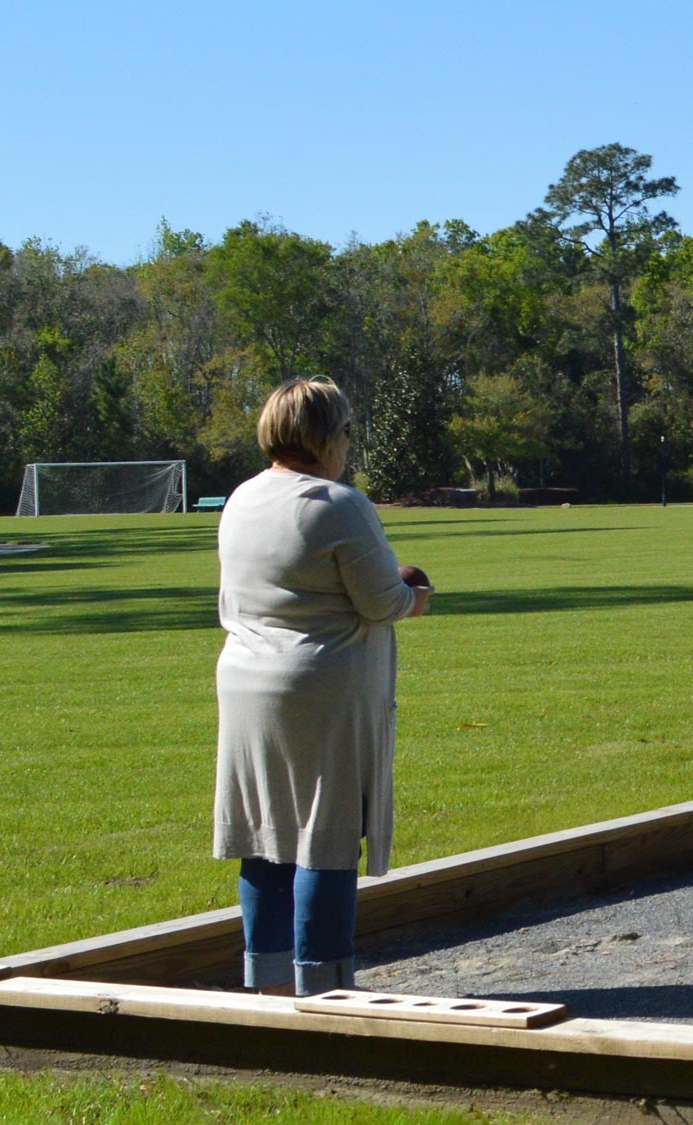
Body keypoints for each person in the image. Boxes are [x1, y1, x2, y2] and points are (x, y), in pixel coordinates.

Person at [213, 378, 430, 996]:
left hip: (245, 681)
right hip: (321, 683)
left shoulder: (242, 498)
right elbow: (382, 600)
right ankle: (326, 983)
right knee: (325, 834)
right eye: (345, 430)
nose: (348, 443)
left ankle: (269, 981)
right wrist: (418, 596)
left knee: (264, 834)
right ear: (324, 435)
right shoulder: (337, 502)